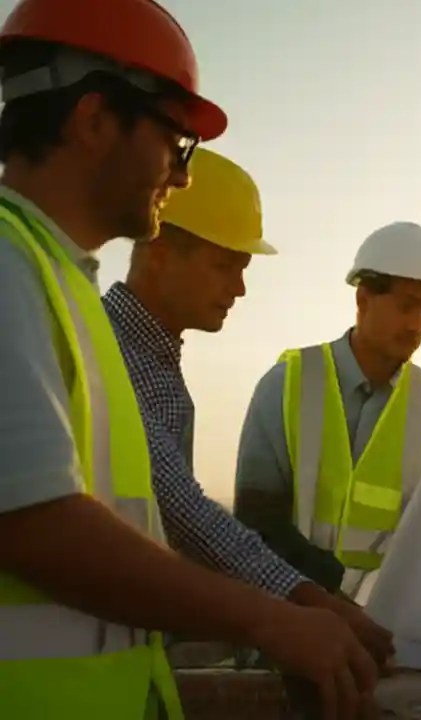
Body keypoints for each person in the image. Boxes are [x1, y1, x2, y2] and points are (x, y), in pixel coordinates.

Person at [0, 1, 377, 718]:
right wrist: (275, 616)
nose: (178, 178)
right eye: (177, 143)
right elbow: (35, 525)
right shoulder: (9, 266)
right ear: (94, 122)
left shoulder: (61, 287)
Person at [103, 146, 394, 662]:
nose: (239, 288)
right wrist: (304, 603)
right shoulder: (117, 359)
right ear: (161, 251)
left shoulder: (143, 356)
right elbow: (184, 513)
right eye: (225, 266)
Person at [235, 221, 421, 601]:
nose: (417, 325)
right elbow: (256, 522)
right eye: (407, 306)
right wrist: (329, 586)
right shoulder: (286, 385)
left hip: (382, 628)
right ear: (363, 299)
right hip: (288, 619)